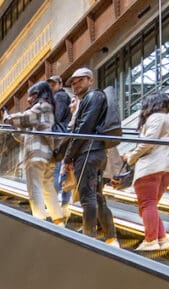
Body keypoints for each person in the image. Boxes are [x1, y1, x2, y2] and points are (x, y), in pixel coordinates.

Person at [61, 67, 116, 243]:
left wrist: (68, 157)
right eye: (73, 82)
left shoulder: (93, 97)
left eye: (80, 80)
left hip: (88, 152)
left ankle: (89, 239)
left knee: (88, 197)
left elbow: (82, 129)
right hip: (95, 152)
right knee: (97, 197)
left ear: (90, 80)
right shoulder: (91, 99)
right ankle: (110, 237)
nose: (75, 84)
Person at [123, 93, 169, 252]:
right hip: (166, 167)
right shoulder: (166, 118)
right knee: (150, 205)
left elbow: (148, 142)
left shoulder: (155, 117)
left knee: (147, 204)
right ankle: (162, 238)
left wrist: (131, 157)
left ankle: (150, 241)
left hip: (151, 166)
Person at [4, 81, 64, 225]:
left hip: (36, 156)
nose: (29, 99)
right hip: (47, 157)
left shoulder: (42, 106)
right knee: (48, 188)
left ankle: (40, 222)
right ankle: (58, 221)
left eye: (31, 95)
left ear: (39, 94)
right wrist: (13, 128)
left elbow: (24, 118)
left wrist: (7, 118)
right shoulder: (47, 110)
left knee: (34, 188)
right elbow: (23, 136)